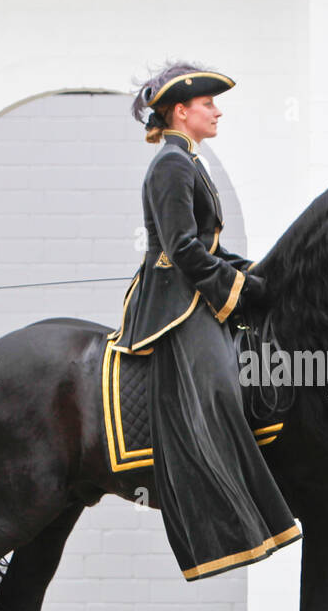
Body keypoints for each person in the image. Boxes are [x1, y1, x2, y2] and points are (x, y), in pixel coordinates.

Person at [109, 61, 301, 580]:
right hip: (176, 302)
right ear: (180, 111)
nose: (217, 111)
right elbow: (183, 250)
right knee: (218, 389)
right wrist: (239, 292)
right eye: (208, 104)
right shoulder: (171, 165)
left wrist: (261, 275)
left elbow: (209, 248)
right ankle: (228, 516)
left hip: (193, 288)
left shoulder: (188, 160)